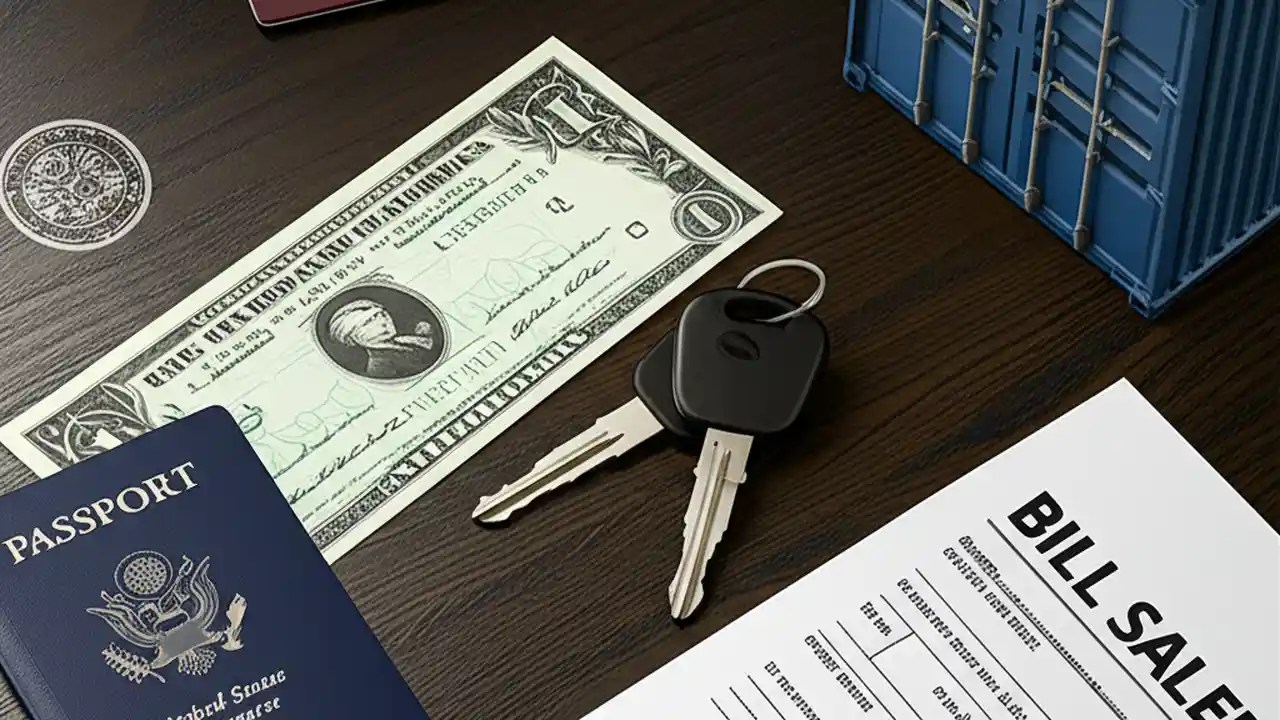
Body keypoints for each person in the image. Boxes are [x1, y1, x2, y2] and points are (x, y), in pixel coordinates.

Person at [327, 298, 436, 379]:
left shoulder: (409, 340)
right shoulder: (380, 368)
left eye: (382, 315)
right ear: (351, 338)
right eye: (368, 322)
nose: (383, 322)